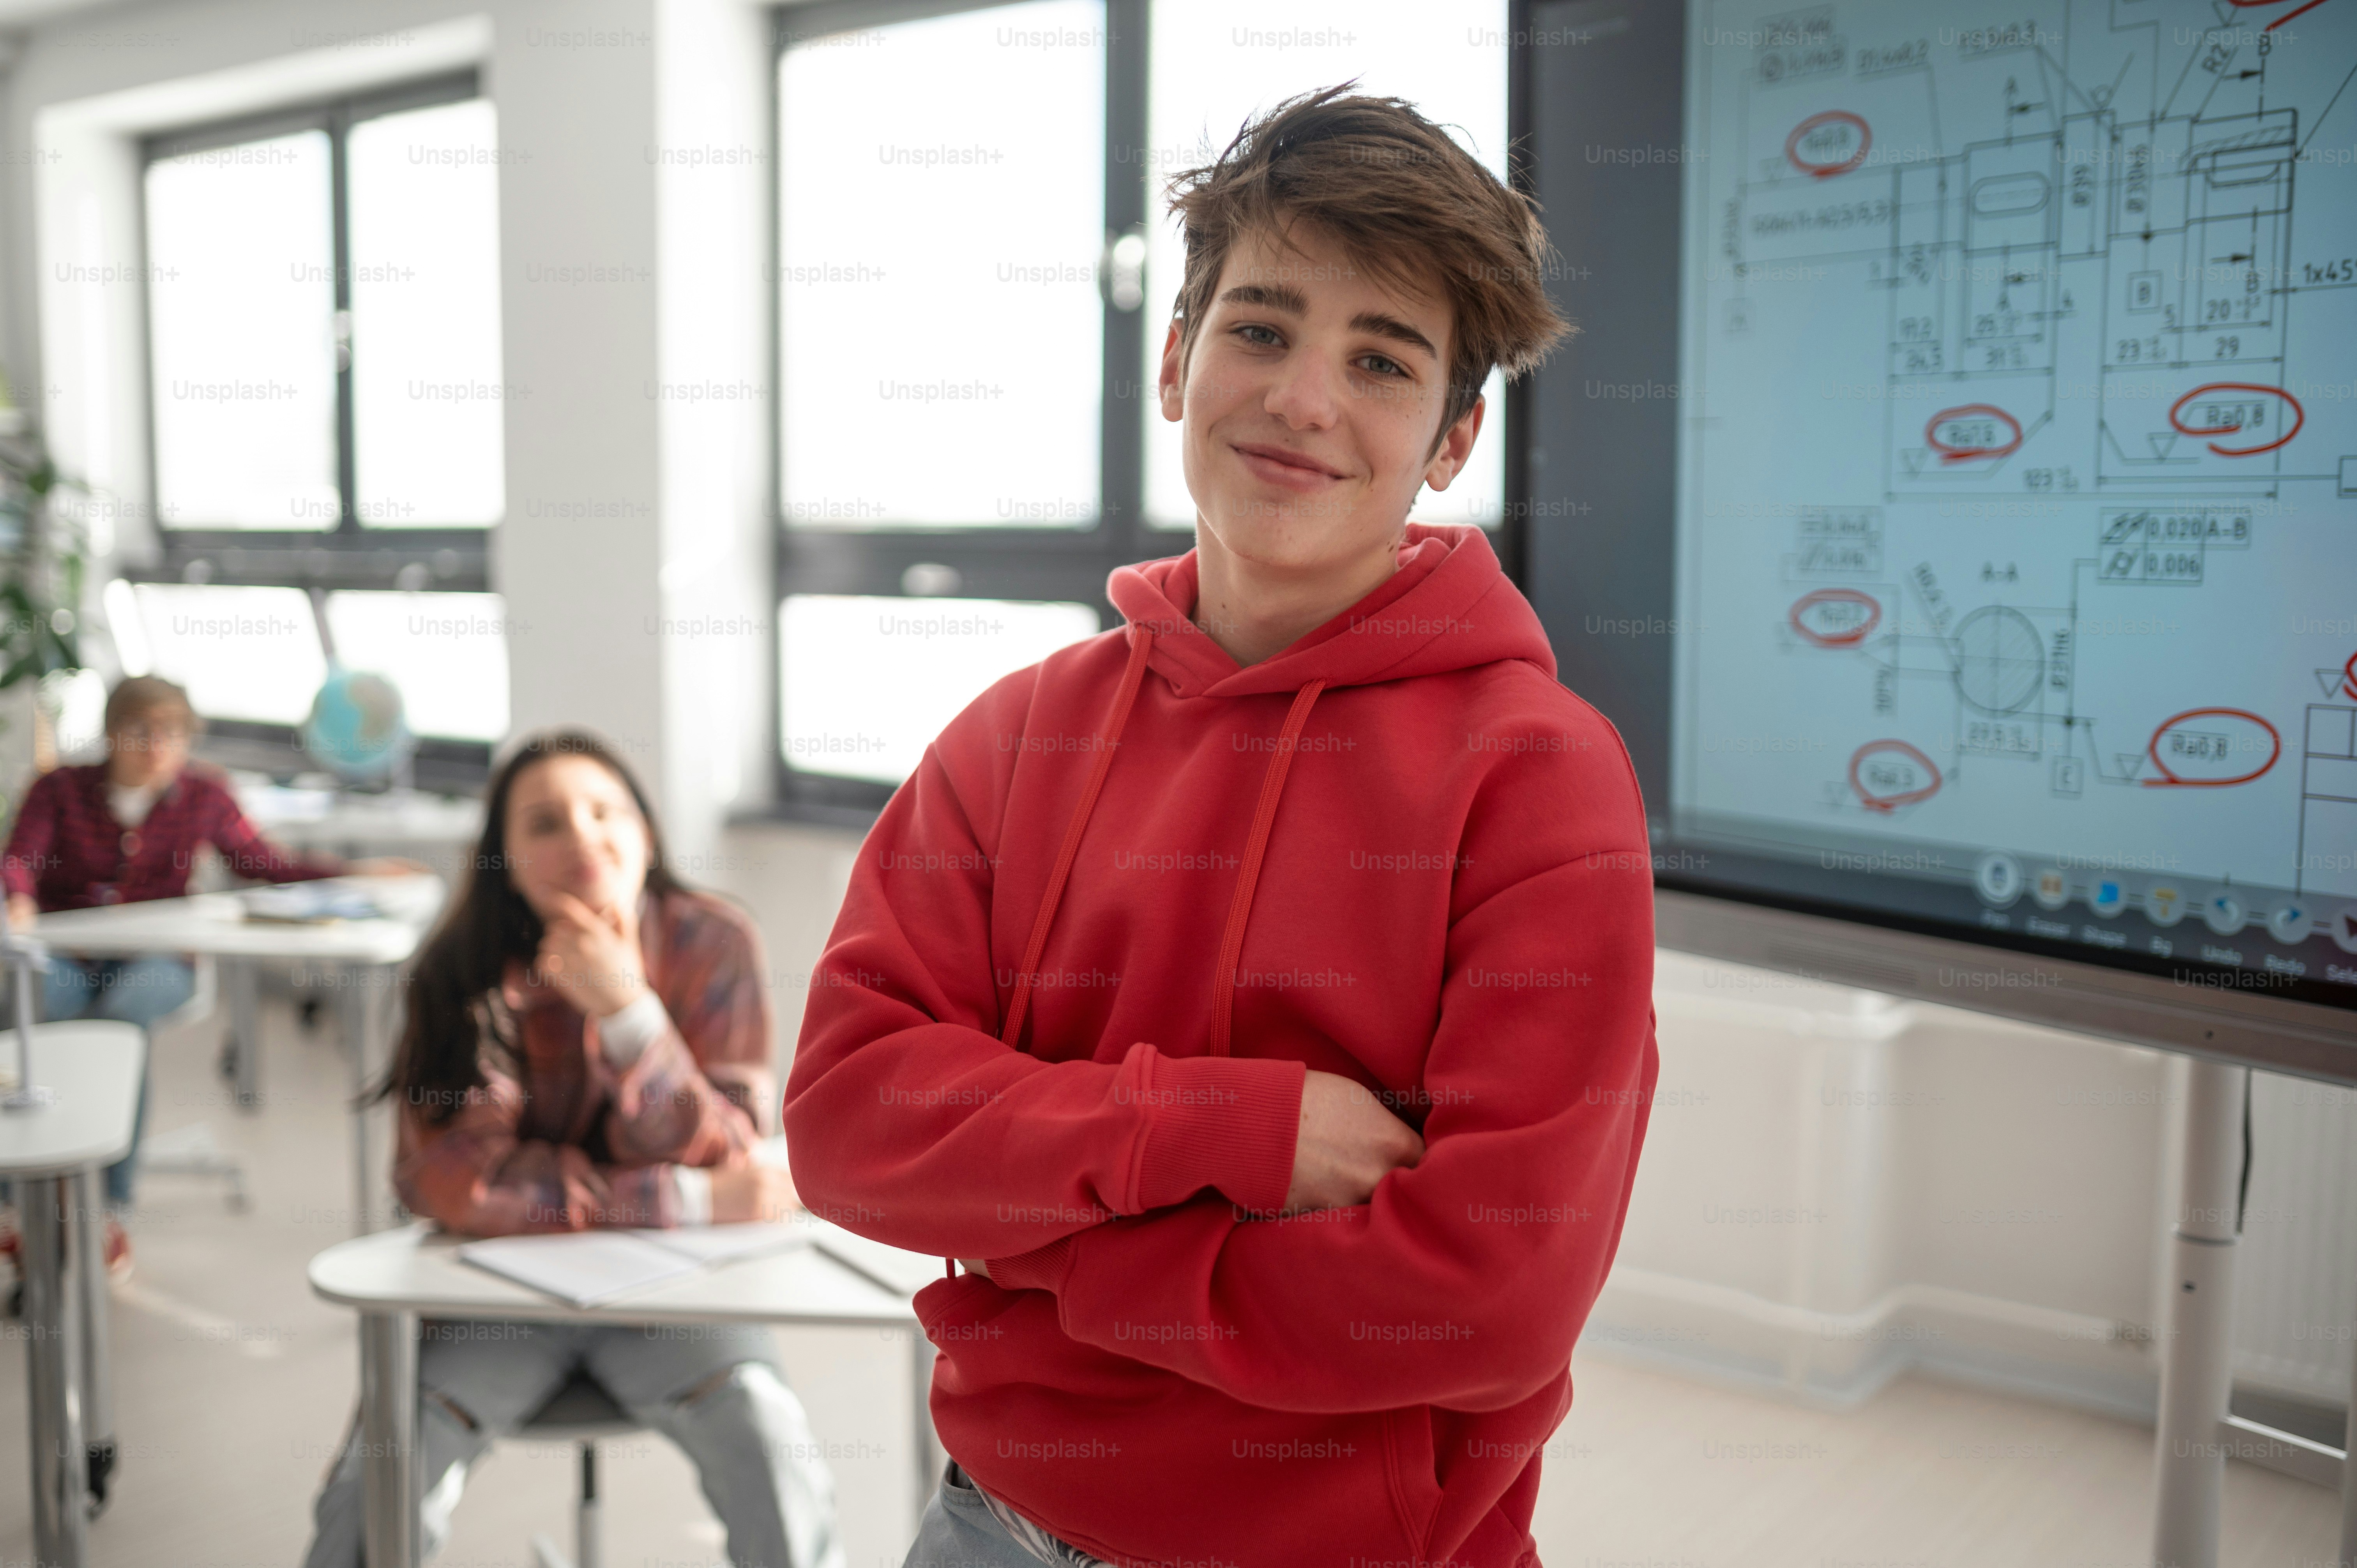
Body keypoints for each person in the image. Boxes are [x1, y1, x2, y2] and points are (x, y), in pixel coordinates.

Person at [786, 88, 1660, 1568]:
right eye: (1260, 329)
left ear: (1450, 439)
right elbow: (849, 1127)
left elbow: (1481, 1295)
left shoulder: (1540, 780)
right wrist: (1226, 1128)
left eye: (1377, 360)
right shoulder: (1014, 736)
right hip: (985, 1528)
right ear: (1177, 362)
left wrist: (1043, 1253)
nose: (1302, 399)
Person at [301, 728, 842, 1568]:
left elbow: (729, 1146)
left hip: (681, 1294)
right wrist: (688, 1199)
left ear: (648, 833)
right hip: (496, 1298)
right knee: (370, 1491)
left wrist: (629, 1012)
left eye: (604, 811)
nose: (583, 837)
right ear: (504, 858)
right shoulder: (459, 971)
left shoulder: (715, 942)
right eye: (545, 822)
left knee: (775, 1452)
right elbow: (462, 1186)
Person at [0, 675, 410, 1275]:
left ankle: (109, 1207)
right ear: (113, 734)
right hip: (67, 954)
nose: (158, 746)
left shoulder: (204, 794)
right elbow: (20, 861)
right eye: (142, 732)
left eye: (173, 733)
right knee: (43, 1010)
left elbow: (265, 864)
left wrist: (354, 873)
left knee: (122, 1026)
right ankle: (24, 1200)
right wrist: (18, 901)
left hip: (159, 960)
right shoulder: (59, 789)